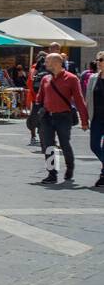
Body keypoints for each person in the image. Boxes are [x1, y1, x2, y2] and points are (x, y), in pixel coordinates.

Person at [36, 52, 88, 184]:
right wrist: (34, 115)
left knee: (65, 144)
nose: (45, 64)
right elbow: (39, 99)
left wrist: (84, 120)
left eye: (47, 62)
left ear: (56, 63)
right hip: (47, 116)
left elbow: (79, 100)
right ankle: (52, 173)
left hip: (64, 117)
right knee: (49, 146)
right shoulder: (45, 79)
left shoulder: (71, 79)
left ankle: (70, 167)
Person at [83, 53, 104, 187]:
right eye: (98, 60)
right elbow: (88, 99)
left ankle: (103, 176)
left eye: (102, 60)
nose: (99, 62)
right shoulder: (93, 78)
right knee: (94, 145)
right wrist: (84, 119)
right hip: (96, 118)